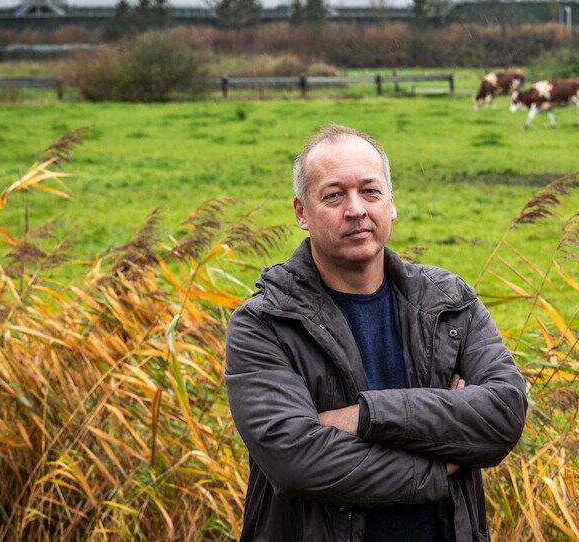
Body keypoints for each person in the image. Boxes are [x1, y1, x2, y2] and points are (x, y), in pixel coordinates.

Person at [225, 125, 528, 541]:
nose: (356, 209)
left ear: (391, 202)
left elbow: (503, 414)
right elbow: (298, 460)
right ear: (301, 212)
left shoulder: (449, 304)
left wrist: (364, 417)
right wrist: (441, 461)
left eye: (370, 191)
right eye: (334, 195)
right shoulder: (265, 323)